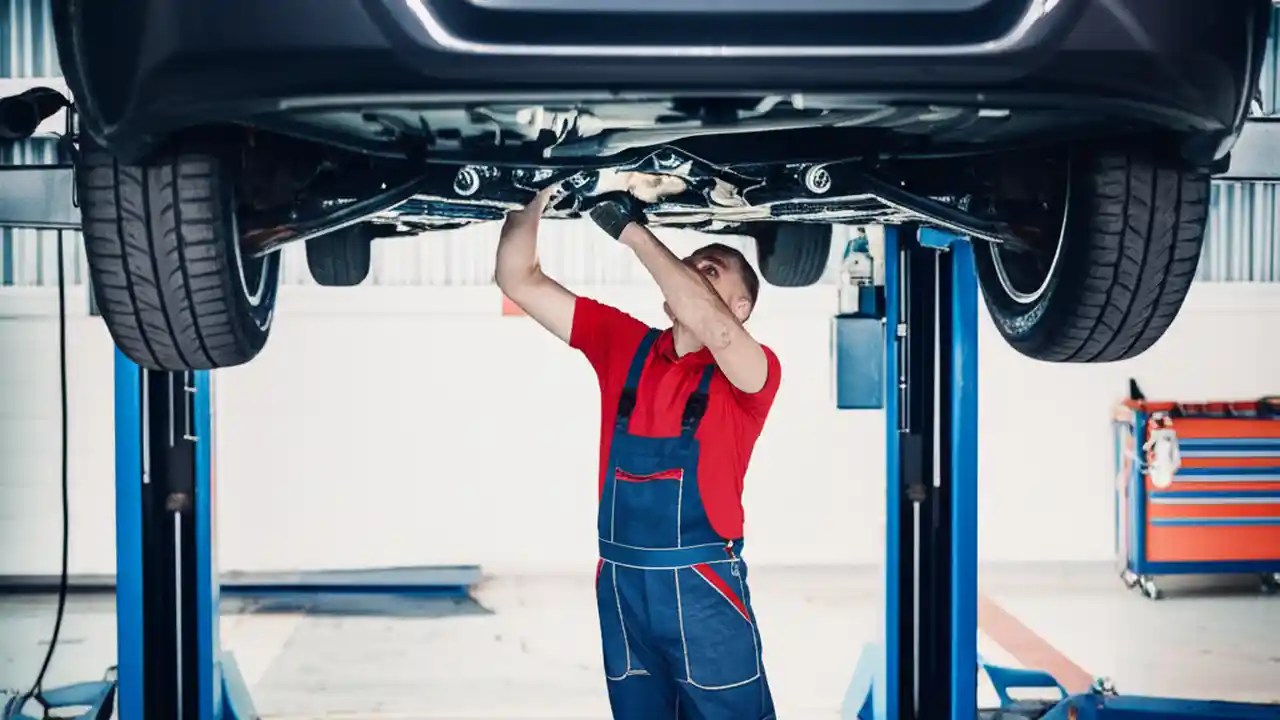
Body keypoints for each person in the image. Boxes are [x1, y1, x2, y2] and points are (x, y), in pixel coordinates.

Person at [495, 184, 781, 719]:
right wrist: (527, 194)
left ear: (741, 308)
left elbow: (716, 330)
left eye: (711, 270)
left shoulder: (752, 375)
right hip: (622, 586)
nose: (690, 273)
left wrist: (631, 231)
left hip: (704, 590)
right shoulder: (624, 344)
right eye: (687, 268)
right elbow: (519, 280)